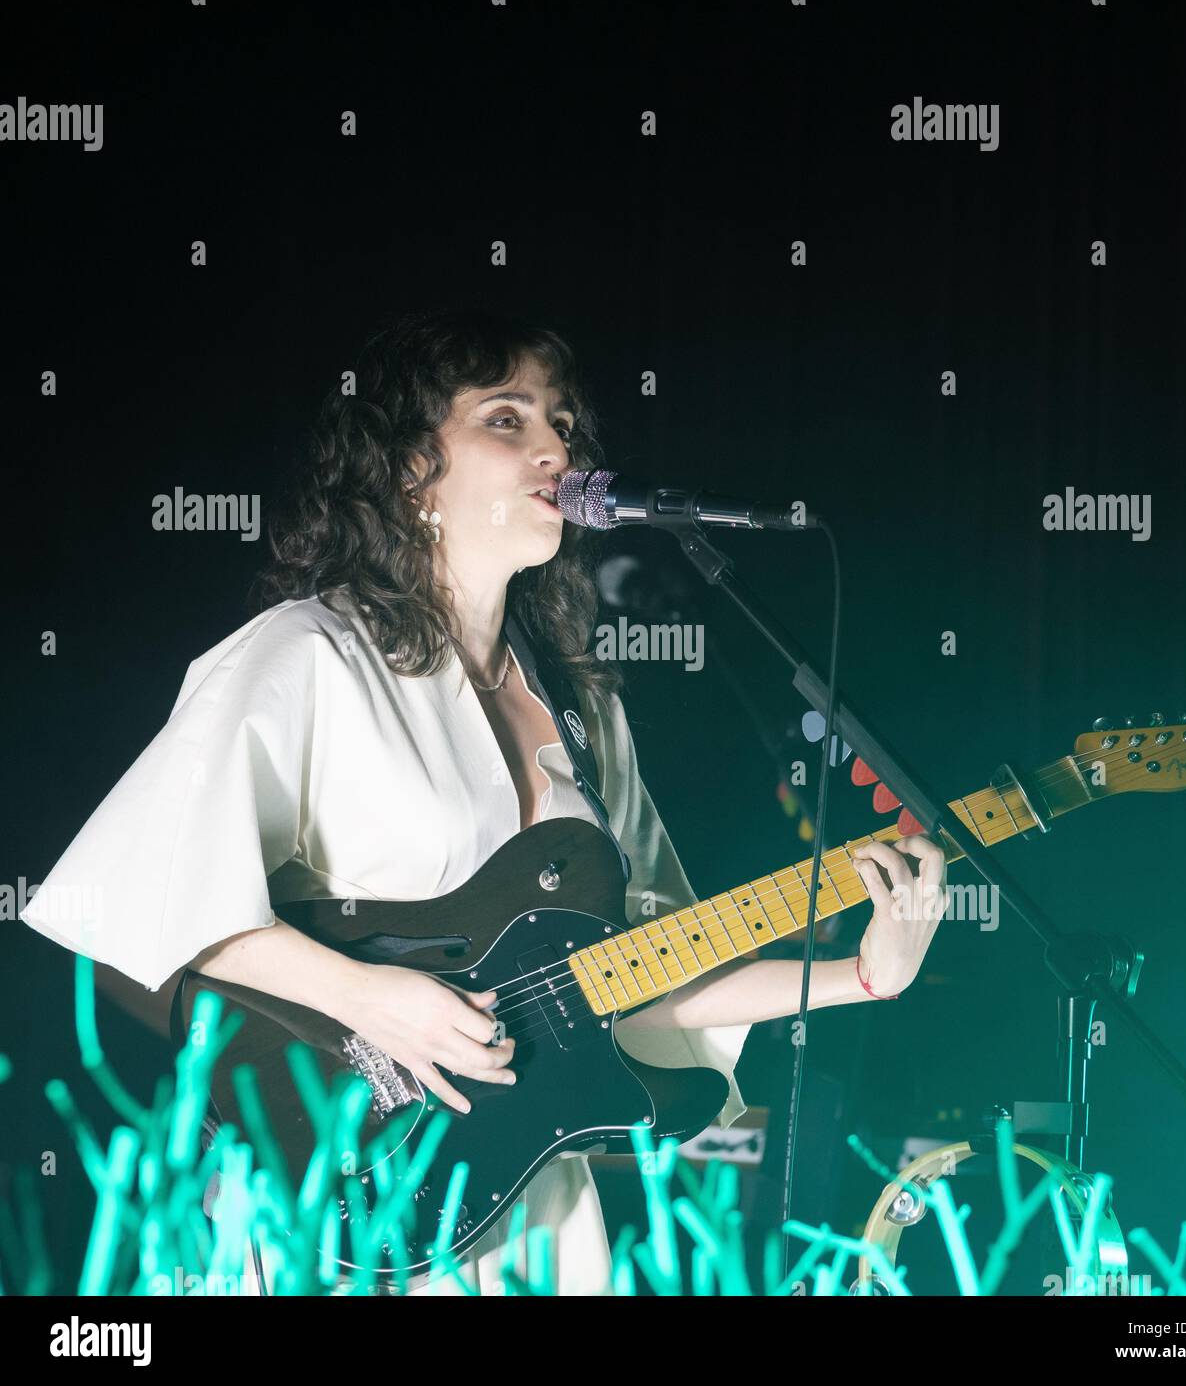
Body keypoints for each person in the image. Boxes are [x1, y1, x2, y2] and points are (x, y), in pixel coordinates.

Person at [19, 308, 949, 1295]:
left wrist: (857, 974)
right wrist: (368, 997)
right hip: (343, 1184)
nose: (556, 446)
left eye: (559, 420)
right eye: (507, 419)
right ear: (409, 468)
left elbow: (635, 967)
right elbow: (130, 908)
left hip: (527, 1212)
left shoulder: (583, 703)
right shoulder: (306, 654)